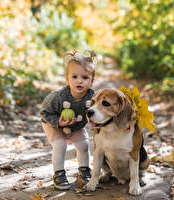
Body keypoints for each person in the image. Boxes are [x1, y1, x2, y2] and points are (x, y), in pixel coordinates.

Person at [39, 50, 96, 190]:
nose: (79, 81)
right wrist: (58, 121)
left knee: (84, 144)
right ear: (67, 79)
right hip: (53, 123)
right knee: (60, 145)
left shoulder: (92, 96)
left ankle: (84, 171)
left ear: (91, 81)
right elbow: (44, 113)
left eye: (85, 77)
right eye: (74, 76)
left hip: (76, 125)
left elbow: (96, 112)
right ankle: (59, 174)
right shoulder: (58, 96)